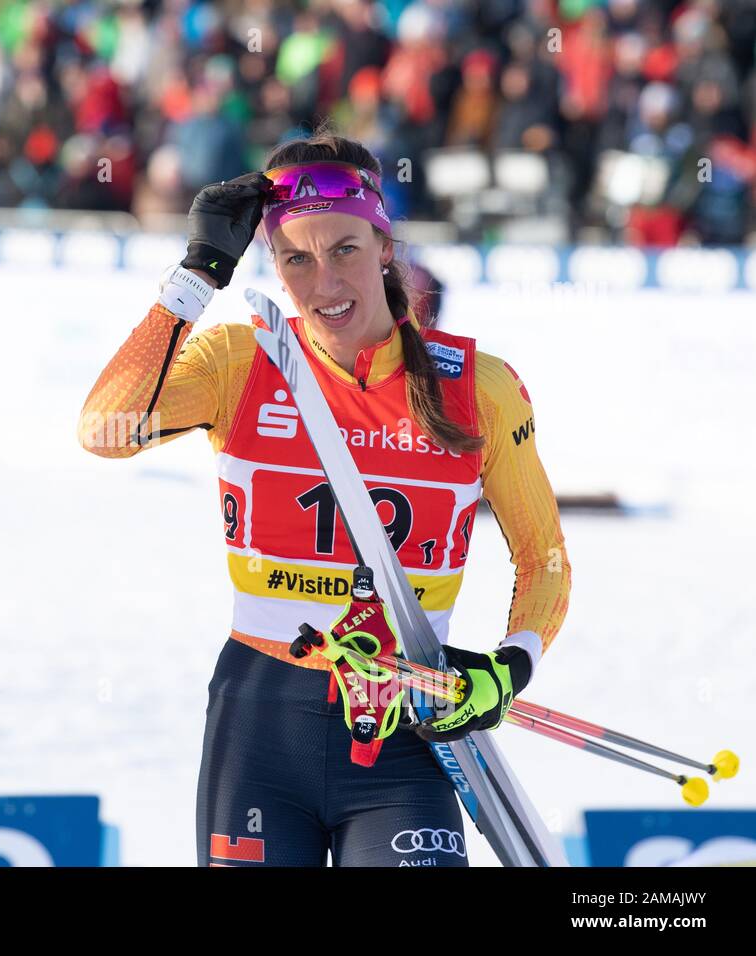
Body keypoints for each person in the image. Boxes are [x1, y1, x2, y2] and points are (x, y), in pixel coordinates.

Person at [78, 127, 571, 867]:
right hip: (261, 725)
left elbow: (546, 559)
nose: (324, 284)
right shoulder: (238, 363)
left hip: (407, 735)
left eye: (344, 249)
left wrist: (510, 667)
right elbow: (103, 429)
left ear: (384, 246)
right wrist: (198, 272)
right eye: (296, 259)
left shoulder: (478, 388)